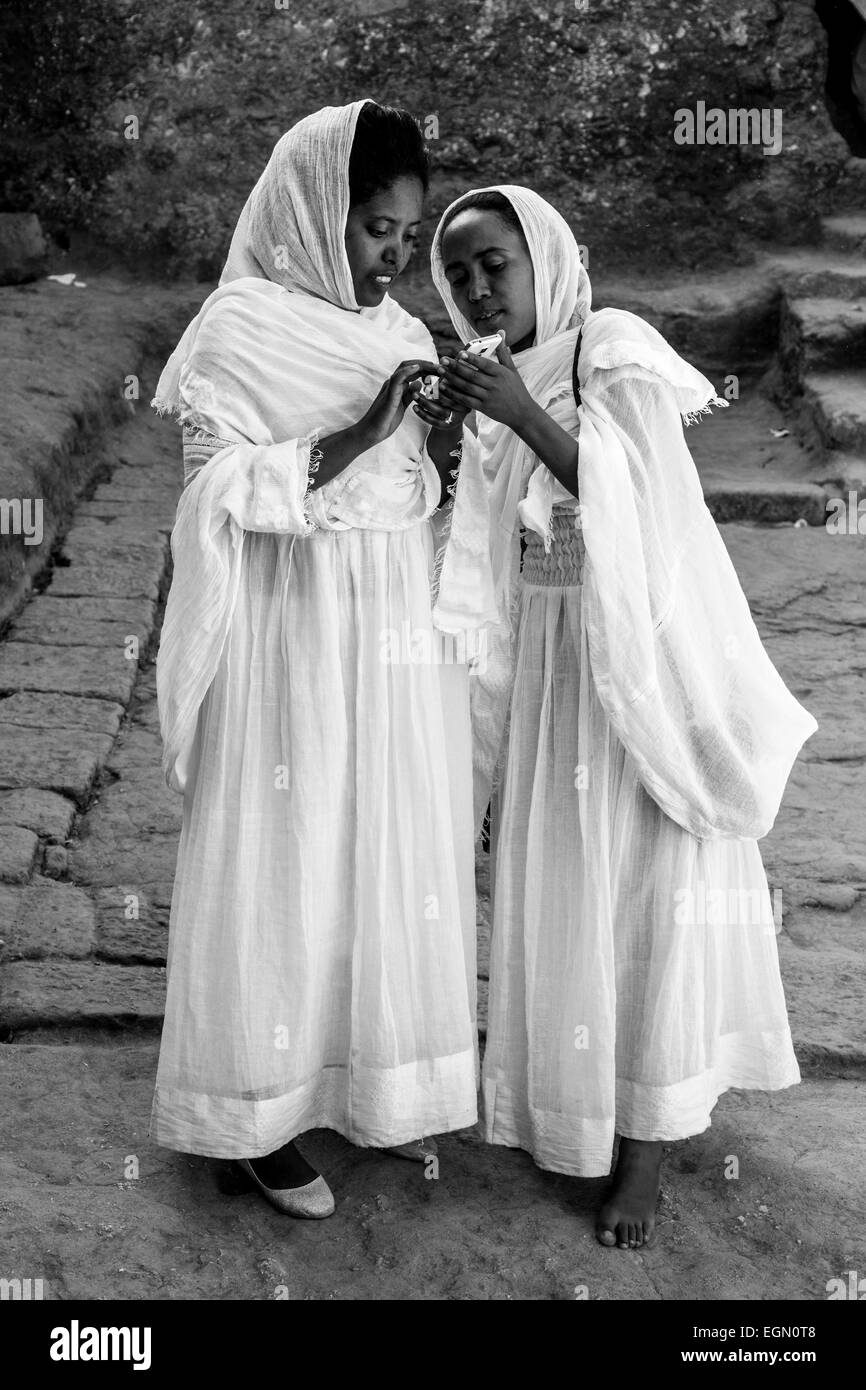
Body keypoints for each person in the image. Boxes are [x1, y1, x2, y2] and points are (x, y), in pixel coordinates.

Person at [419, 185, 817, 1250]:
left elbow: (639, 509)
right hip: (547, 654)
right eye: (454, 271)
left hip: (633, 648)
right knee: (561, 878)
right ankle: (579, 1105)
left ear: (541, 253)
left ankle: (645, 1148)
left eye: (491, 259)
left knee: (649, 883)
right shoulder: (493, 376)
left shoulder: (611, 346)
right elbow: (485, 543)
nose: (474, 285)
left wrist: (517, 414)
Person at [149, 101, 478, 1218]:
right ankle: (250, 1114)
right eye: (376, 228)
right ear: (312, 210)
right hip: (286, 622)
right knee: (282, 841)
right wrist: (359, 431)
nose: (396, 255)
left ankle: (355, 1077)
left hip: (384, 623)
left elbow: (409, 496)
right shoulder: (240, 324)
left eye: (406, 232)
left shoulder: (395, 331)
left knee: (377, 834)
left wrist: (431, 444)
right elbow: (211, 490)